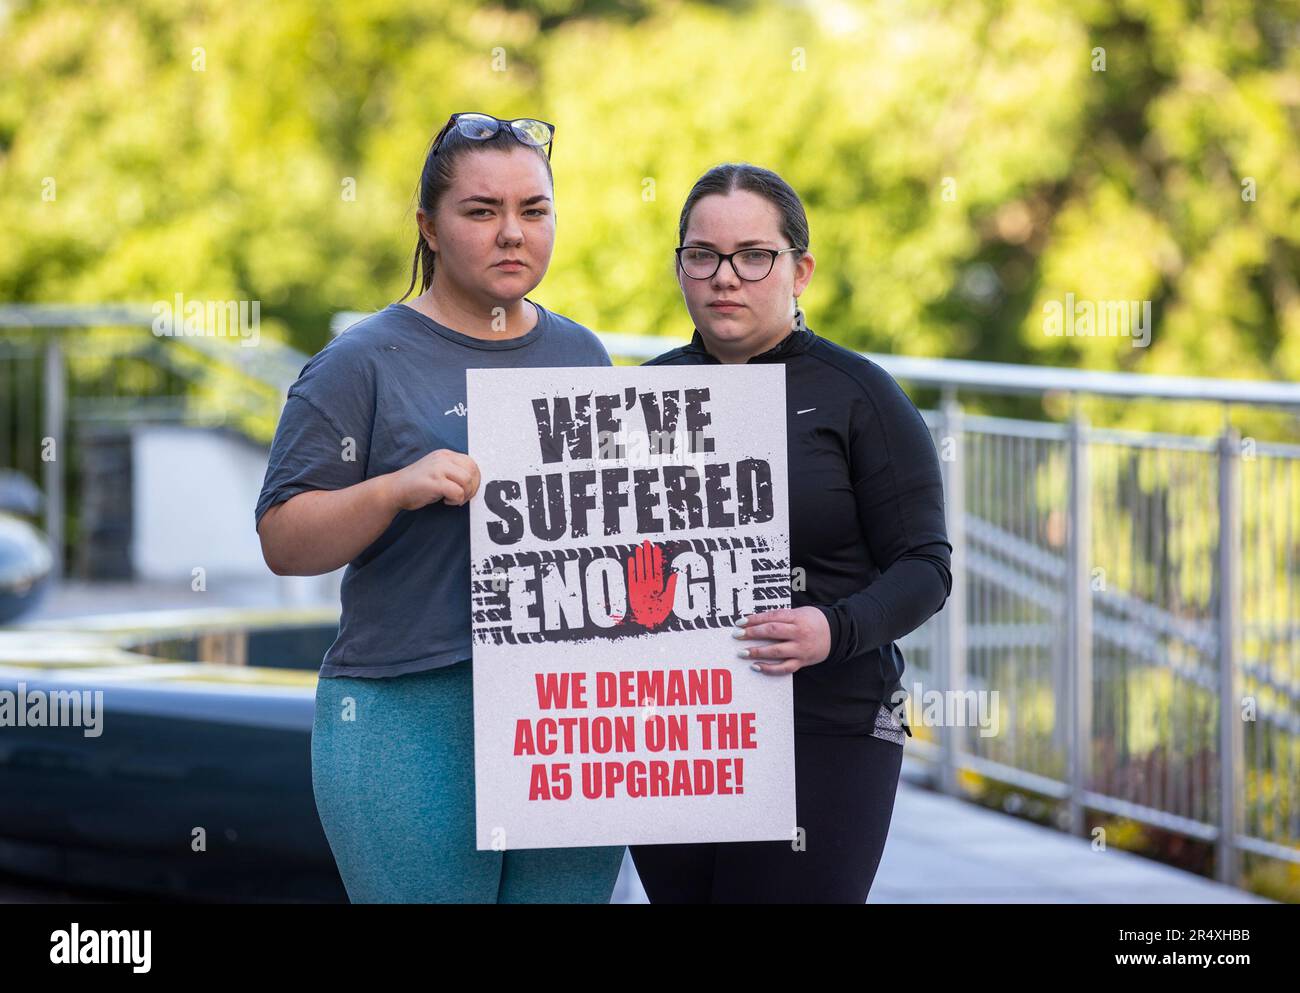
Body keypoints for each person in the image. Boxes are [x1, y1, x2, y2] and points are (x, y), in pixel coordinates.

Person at [255, 112, 625, 903]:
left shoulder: (584, 356)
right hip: (406, 713)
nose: (512, 234)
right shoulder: (360, 360)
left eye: (534, 209)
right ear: (427, 225)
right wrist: (395, 488)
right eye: (481, 211)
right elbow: (283, 539)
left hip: (567, 710)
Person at [628, 163, 953, 903]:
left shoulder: (860, 394)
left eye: (754, 256)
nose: (724, 278)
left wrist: (831, 630)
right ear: (680, 266)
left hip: (830, 723)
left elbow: (926, 566)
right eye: (701, 255)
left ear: (799, 269)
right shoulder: (635, 400)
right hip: (673, 731)